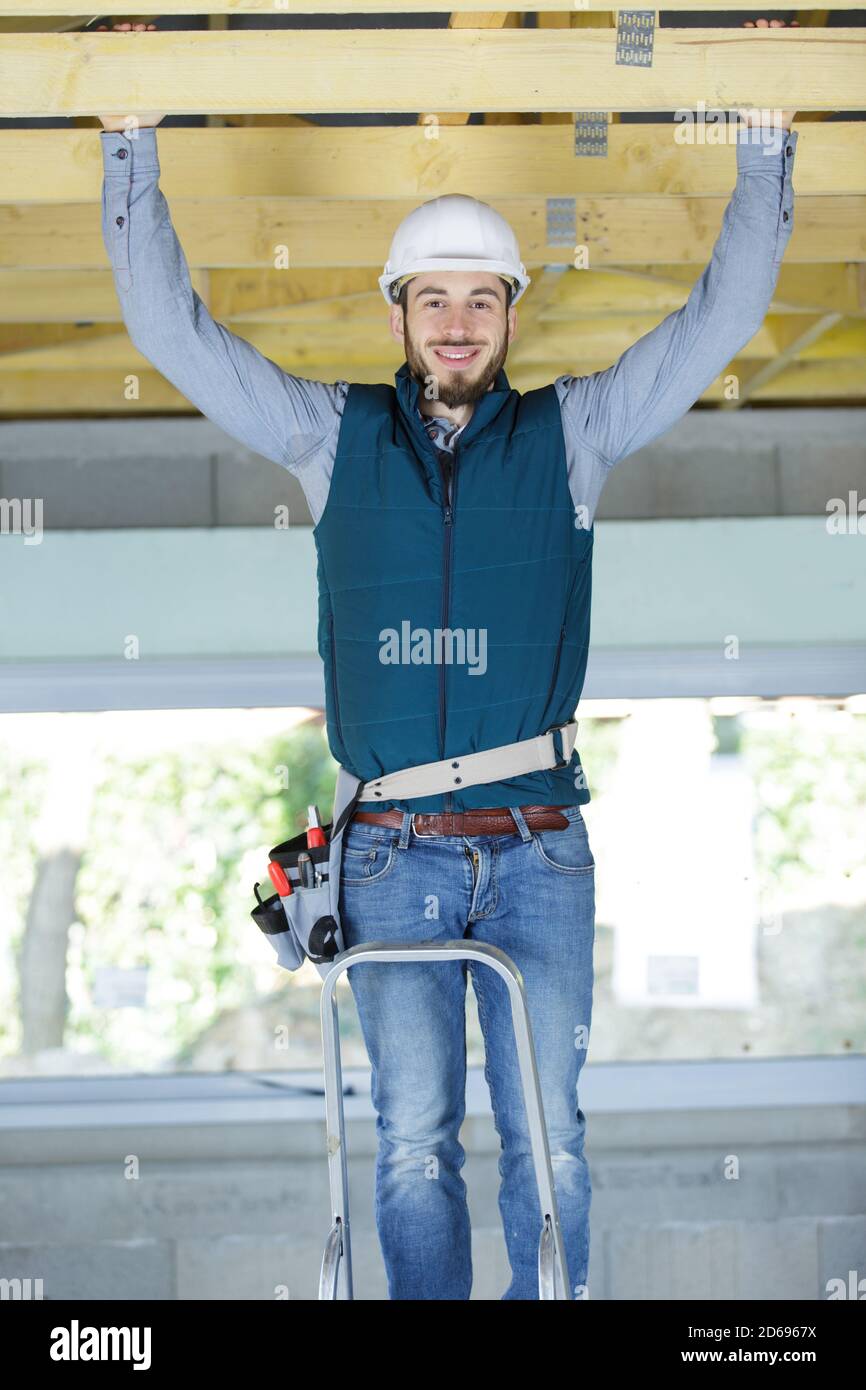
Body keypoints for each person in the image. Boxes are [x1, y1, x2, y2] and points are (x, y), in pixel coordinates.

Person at [98, 20, 797, 1300]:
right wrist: (127, 135)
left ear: (511, 312)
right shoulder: (327, 440)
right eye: (436, 299)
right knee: (412, 1144)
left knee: (550, 1139)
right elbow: (174, 333)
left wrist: (761, 140)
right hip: (390, 855)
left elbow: (719, 319)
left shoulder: (574, 436)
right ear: (400, 313)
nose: (459, 322)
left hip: (537, 853)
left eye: (483, 298)